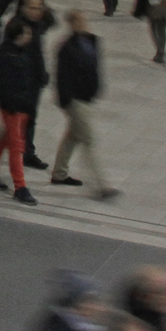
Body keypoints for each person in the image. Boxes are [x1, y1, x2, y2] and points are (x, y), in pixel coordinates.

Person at [48, 11, 118, 199]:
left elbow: (96, 68)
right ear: (71, 24)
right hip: (75, 100)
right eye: (78, 21)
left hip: (87, 97)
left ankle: (59, 173)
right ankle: (101, 185)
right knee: (88, 139)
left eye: (84, 20)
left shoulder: (93, 41)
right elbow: (61, 77)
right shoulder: (66, 48)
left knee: (72, 136)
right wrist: (66, 101)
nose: (83, 23)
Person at [0, 18, 42, 205]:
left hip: (23, 105)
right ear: (18, 35)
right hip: (12, 107)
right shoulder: (6, 54)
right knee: (17, 146)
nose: (30, 36)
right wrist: (13, 106)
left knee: (6, 140)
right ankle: (20, 187)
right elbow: (4, 85)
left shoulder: (24, 51)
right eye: (26, 33)